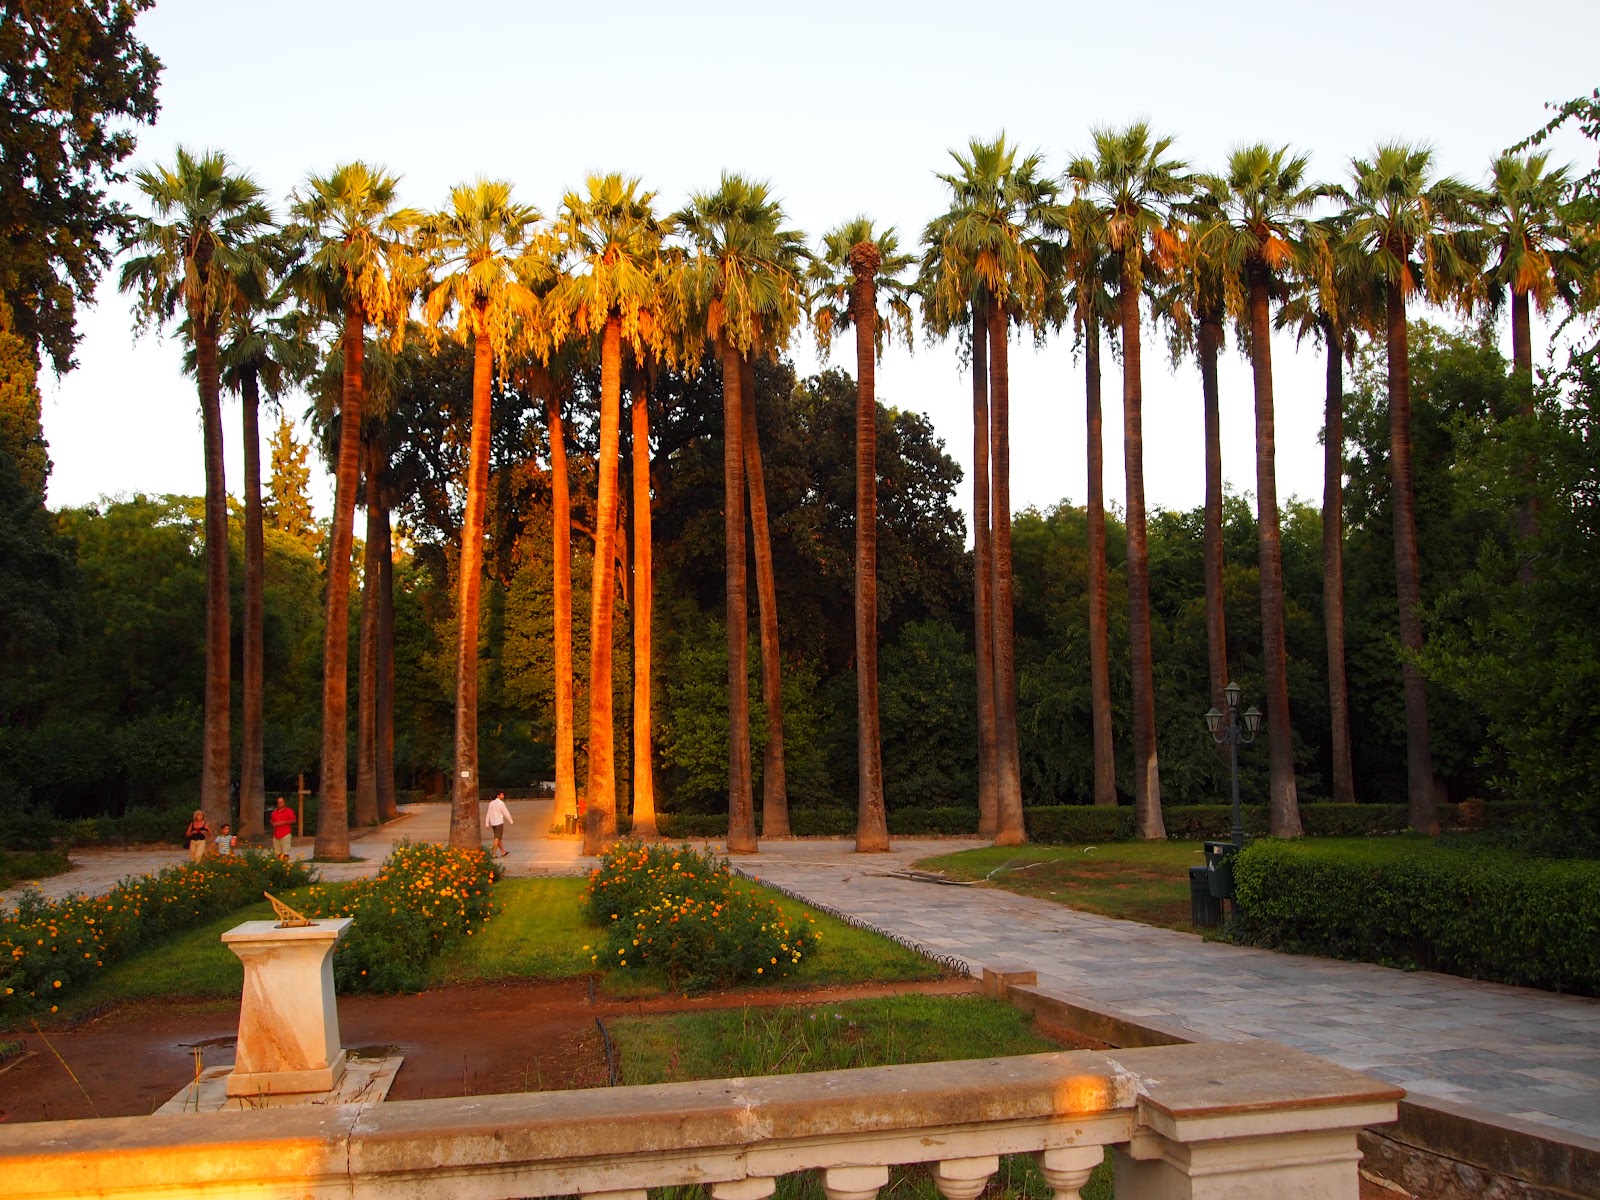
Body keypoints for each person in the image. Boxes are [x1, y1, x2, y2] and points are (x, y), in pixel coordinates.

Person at [483, 792, 513, 858]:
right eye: (502, 795)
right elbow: (506, 812)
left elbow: (488, 813)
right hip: (499, 823)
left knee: (499, 838)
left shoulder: (491, 803)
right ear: (498, 795)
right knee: (497, 838)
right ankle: (494, 853)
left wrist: (487, 823)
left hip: (493, 823)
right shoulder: (501, 803)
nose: (503, 796)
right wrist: (510, 820)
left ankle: (503, 852)